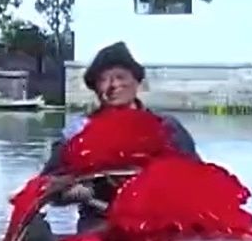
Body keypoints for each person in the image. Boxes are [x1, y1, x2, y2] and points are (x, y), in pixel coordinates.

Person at [43, 41, 199, 230]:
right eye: (104, 80)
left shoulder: (167, 127)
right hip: (99, 226)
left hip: (161, 228)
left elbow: (197, 179)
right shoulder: (77, 131)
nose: (114, 85)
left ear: (136, 82)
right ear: (96, 89)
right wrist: (67, 192)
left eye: (121, 77)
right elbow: (47, 185)